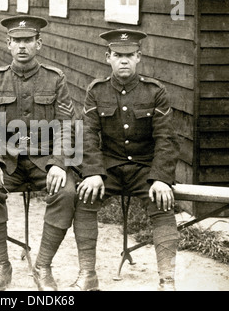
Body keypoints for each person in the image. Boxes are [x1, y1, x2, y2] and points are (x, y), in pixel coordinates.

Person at [73, 29, 180, 291]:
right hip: (108, 169)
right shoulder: (96, 91)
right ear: (107, 57)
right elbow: (87, 134)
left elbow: (166, 138)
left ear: (139, 57)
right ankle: (87, 274)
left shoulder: (155, 91)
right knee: (83, 198)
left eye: (129, 55)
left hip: (145, 169)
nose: (124, 60)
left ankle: (167, 280)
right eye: (118, 55)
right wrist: (93, 172)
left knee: (163, 204)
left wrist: (161, 178)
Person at [0, 15, 77, 291]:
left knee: (67, 192)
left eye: (28, 40)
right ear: (8, 44)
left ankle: (43, 266)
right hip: (8, 163)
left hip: (45, 163)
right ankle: (1, 266)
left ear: (39, 44)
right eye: (16, 41)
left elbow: (68, 126)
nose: (22, 46)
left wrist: (58, 163)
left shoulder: (55, 80)